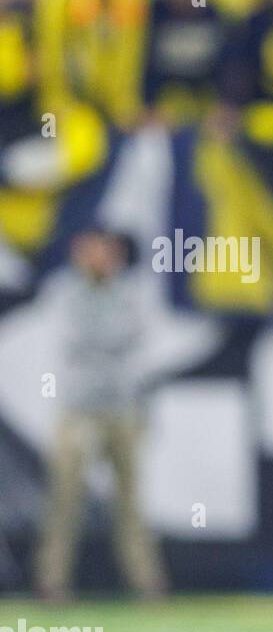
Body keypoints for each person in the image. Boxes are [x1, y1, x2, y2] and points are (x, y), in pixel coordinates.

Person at [35, 228, 168, 602]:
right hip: (78, 409)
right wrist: (113, 345)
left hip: (122, 408)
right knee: (65, 500)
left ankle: (147, 583)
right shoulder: (65, 292)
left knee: (131, 501)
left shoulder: (129, 293)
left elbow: (138, 341)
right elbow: (84, 338)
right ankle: (53, 582)